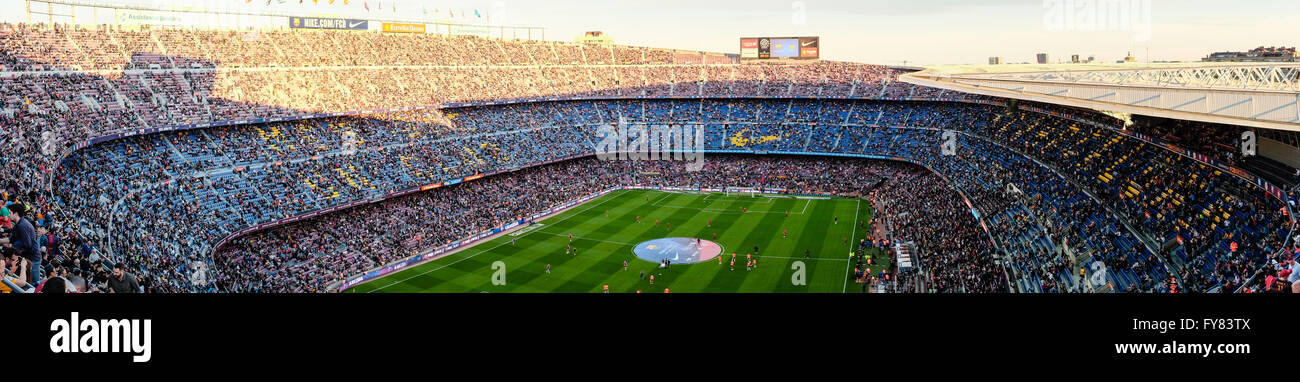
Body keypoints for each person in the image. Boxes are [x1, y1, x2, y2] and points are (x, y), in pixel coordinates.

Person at [1, 203, 39, 283]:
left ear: (16, 214)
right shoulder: (19, 224)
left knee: (33, 283)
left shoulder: (22, 225)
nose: (8, 215)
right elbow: (11, 239)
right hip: (28, 258)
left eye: (10, 213)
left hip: (32, 259)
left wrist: (15, 252)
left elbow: (27, 244)